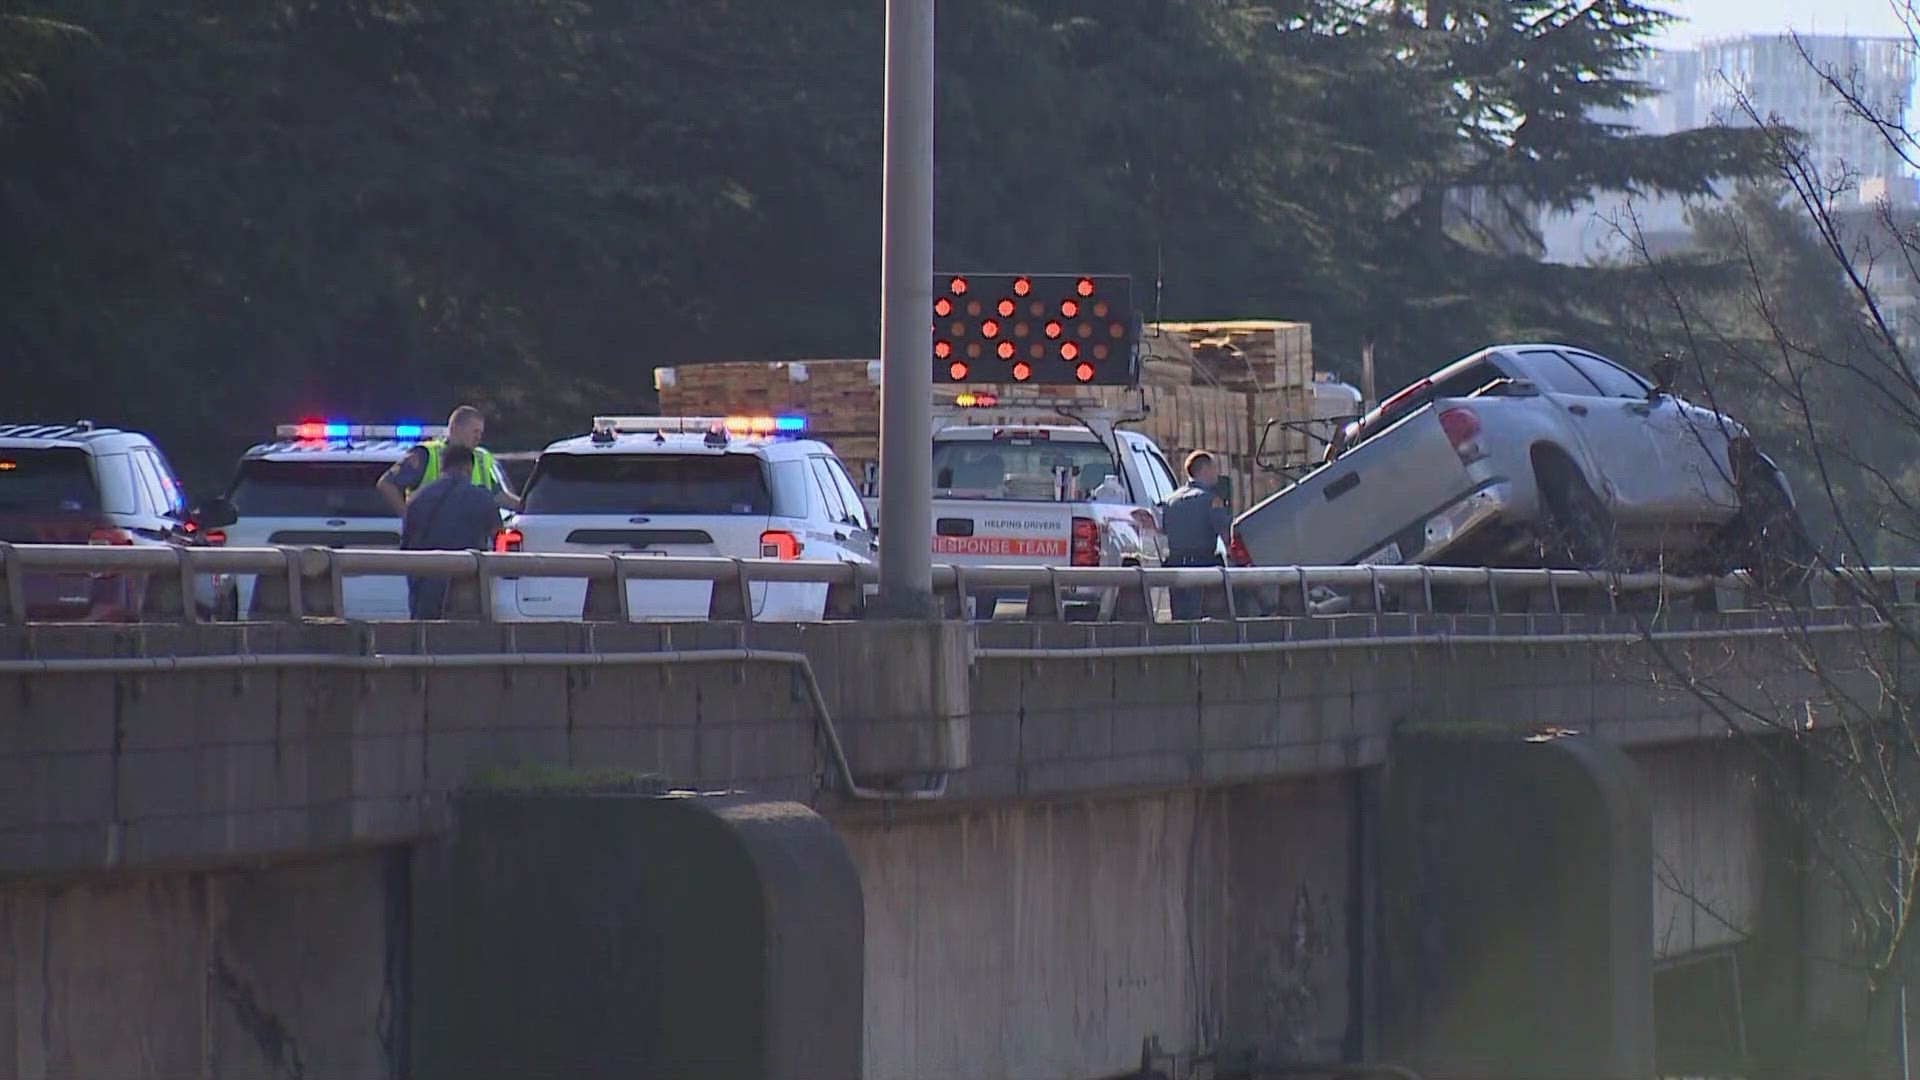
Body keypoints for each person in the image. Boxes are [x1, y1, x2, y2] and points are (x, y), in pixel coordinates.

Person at [399, 446, 506, 618]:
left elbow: (406, 547)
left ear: (443, 467)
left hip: (425, 594)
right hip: (466, 591)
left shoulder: (417, 499)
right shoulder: (482, 498)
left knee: (425, 633)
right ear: (469, 468)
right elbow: (500, 541)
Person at [377, 404, 522, 515]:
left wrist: (525, 507)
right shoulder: (426, 454)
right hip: (431, 539)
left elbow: (498, 496)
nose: (478, 437)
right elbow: (386, 484)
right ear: (455, 428)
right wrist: (408, 519)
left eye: (480, 433)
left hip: (469, 537)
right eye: (475, 431)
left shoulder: (481, 458)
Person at [1160, 449, 1232, 621]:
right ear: (1205, 470)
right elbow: (1226, 533)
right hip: (1202, 569)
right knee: (1204, 622)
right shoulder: (1211, 499)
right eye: (1214, 468)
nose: (1217, 473)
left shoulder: (1170, 500)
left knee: (1180, 621)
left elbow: (1162, 531)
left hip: (1175, 570)